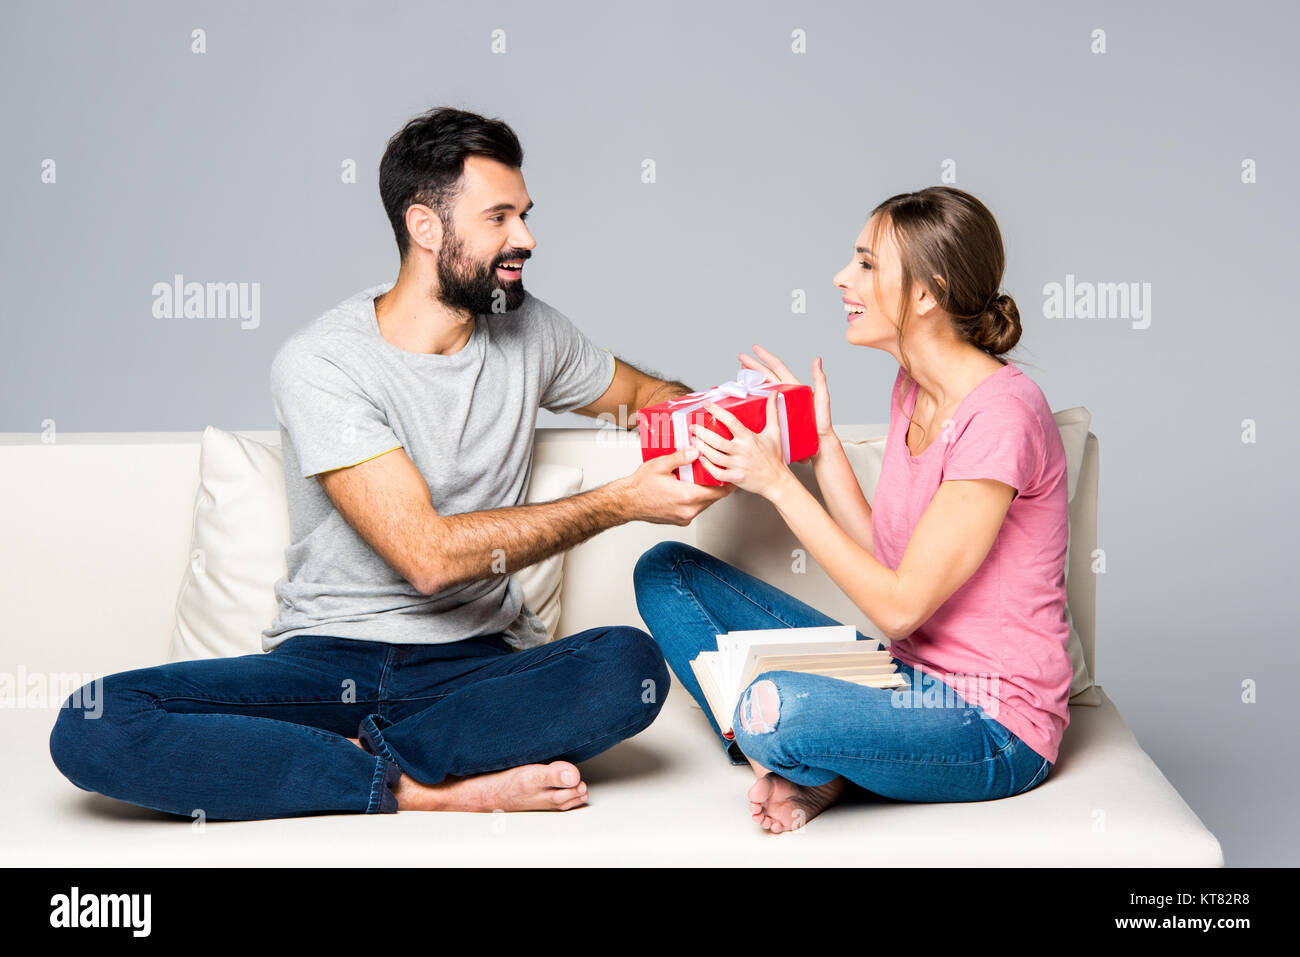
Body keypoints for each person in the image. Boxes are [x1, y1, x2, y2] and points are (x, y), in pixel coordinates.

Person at [48, 106, 730, 820]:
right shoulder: (323, 362)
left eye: (524, 214)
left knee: (629, 667)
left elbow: (646, 395)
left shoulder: (531, 329)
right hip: (322, 664)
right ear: (425, 227)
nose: (526, 238)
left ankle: (350, 764)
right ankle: (419, 787)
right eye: (499, 217)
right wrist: (622, 501)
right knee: (96, 720)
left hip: (476, 666)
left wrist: (711, 424)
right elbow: (426, 557)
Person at [633, 186, 1071, 833]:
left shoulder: (1002, 414)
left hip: (993, 724)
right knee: (664, 571)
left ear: (925, 294)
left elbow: (899, 604)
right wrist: (821, 443)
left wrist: (781, 483)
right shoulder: (915, 386)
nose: (843, 278)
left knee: (771, 707)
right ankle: (811, 760)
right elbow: (887, 555)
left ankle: (803, 751)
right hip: (904, 677)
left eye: (866, 264)